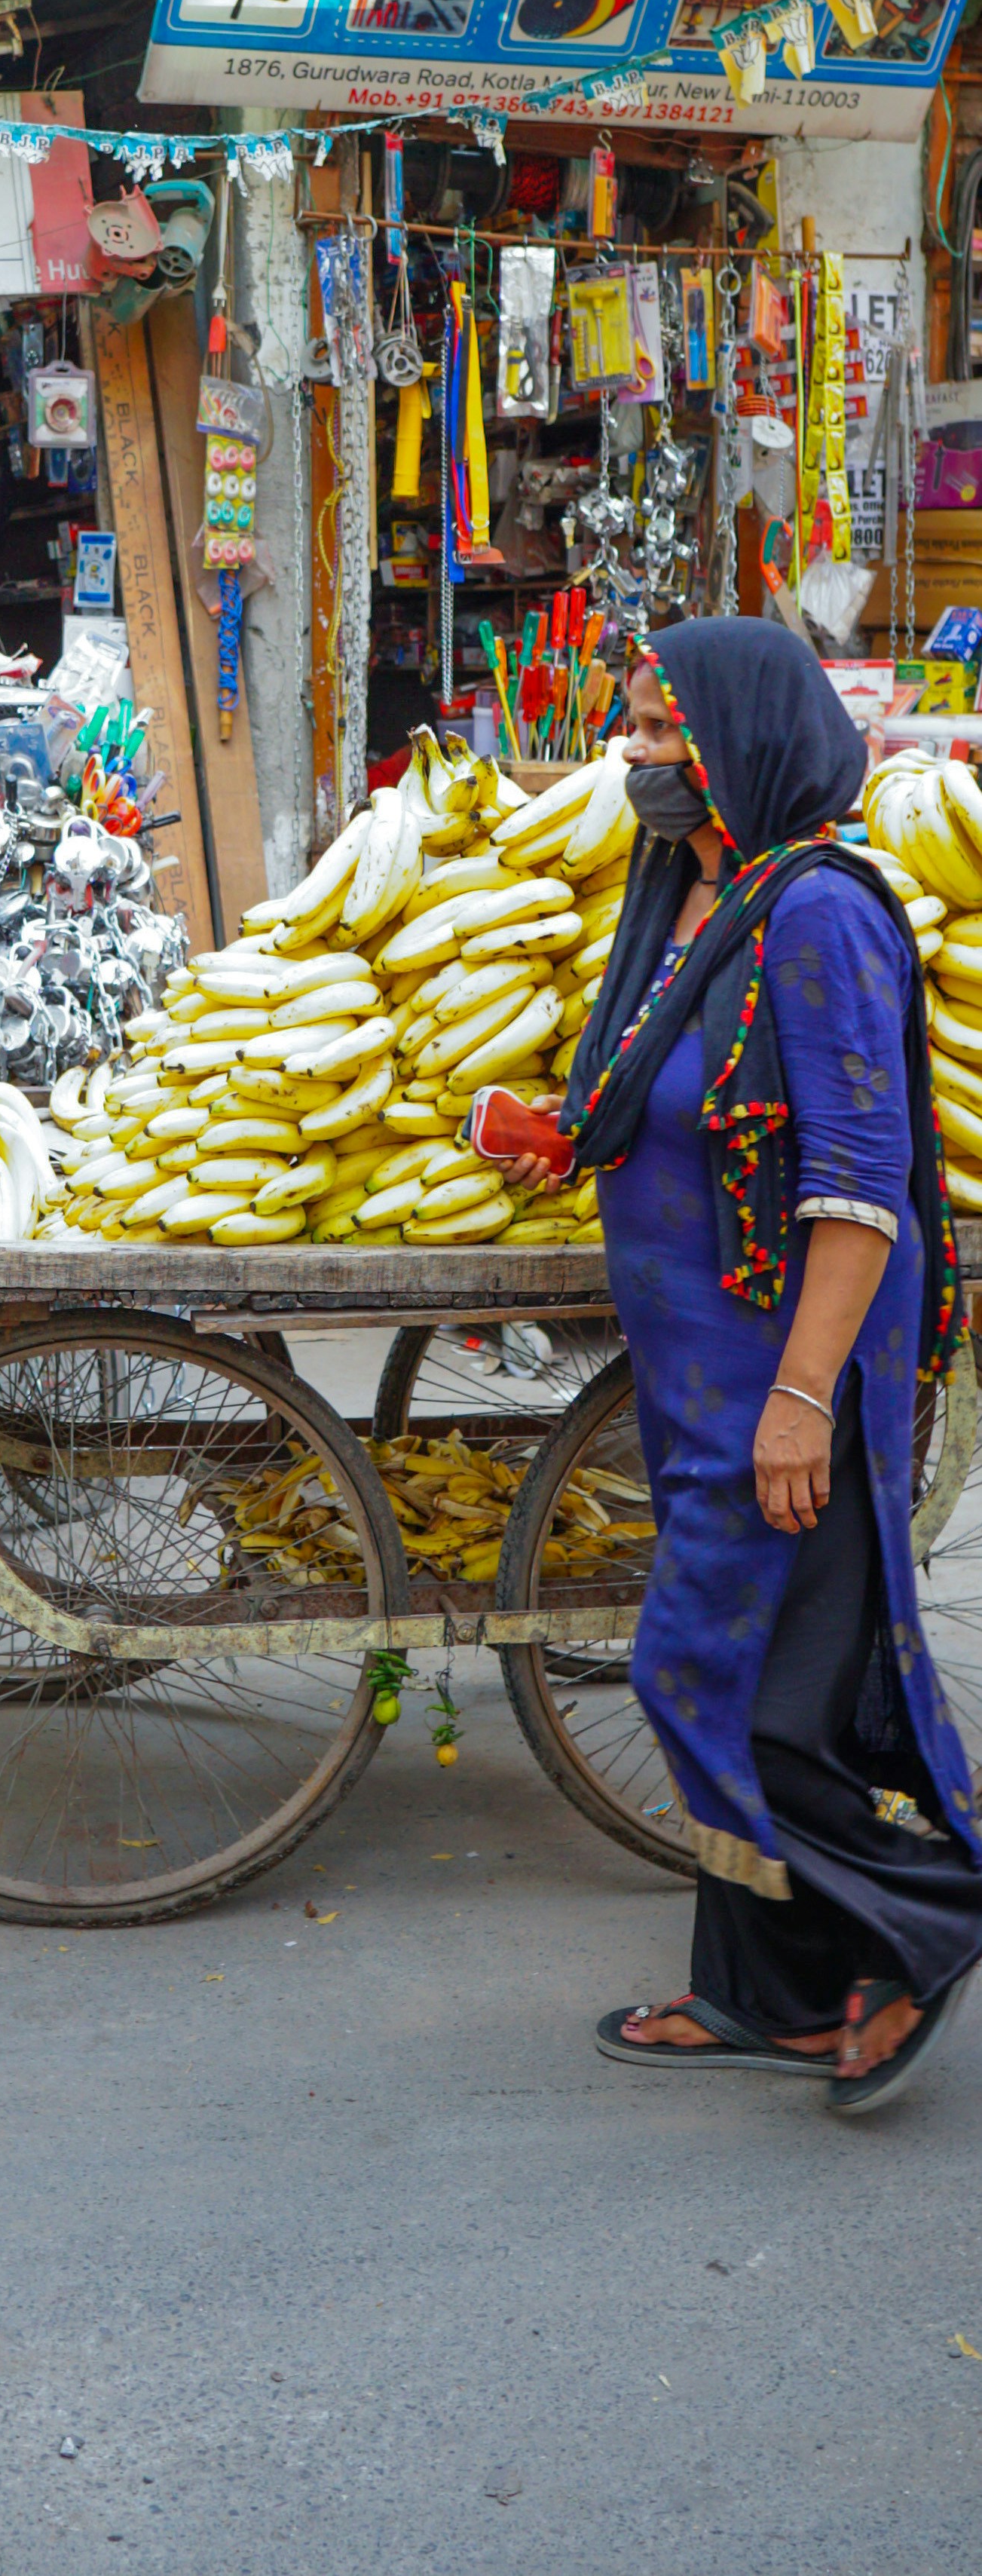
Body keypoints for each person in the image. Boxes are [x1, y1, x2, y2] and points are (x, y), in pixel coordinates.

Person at [524, 617, 982, 2112]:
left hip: (796, 1384)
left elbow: (858, 1181)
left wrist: (799, 1398)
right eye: (640, 730)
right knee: (738, 1670)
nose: (641, 756)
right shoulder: (692, 898)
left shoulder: (821, 914)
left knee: (729, 1687)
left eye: (669, 732)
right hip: (699, 1383)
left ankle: (926, 1920)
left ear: (749, 742)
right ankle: (765, 1995)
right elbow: (674, 1102)